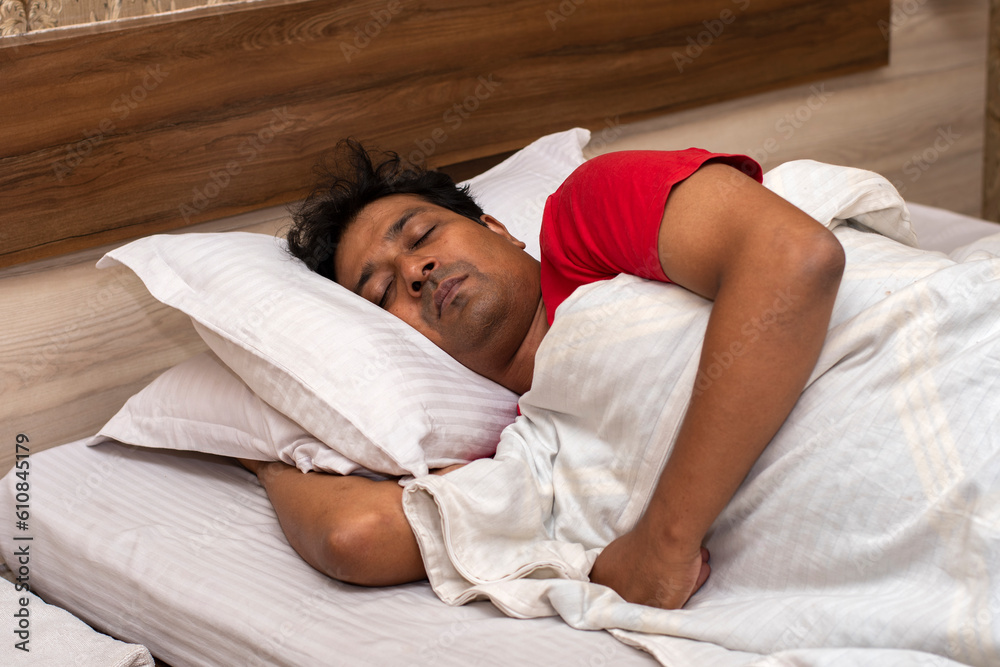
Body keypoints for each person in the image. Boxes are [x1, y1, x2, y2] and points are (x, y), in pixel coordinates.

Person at [241, 139, 846, 610]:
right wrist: (260, 452)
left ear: (495, 228)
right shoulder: (530, 452)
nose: (416, 270)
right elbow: (354, 536)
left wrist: (662, 544)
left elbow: (795, 257)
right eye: (382, 291)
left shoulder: (588, 223)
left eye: (423, 236)